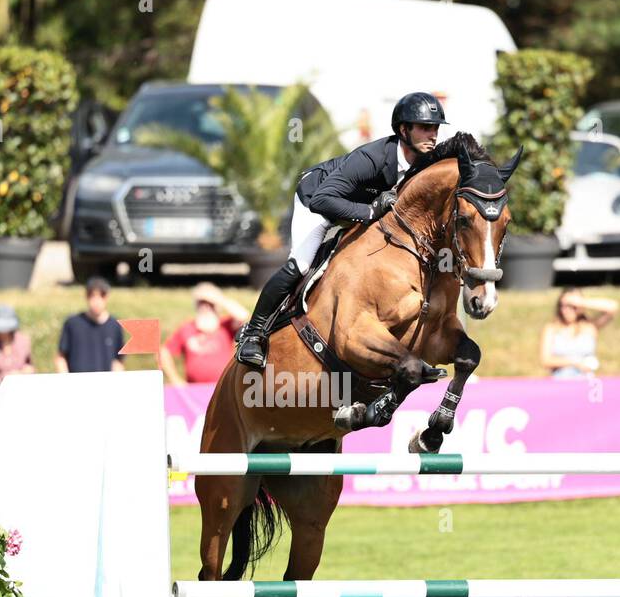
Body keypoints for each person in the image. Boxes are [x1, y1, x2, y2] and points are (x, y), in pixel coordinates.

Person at [235, 91, 448, 368]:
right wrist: (371, 211)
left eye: (435, 129)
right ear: (403, 129)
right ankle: (254, 333)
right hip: (318, 201)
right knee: (300, 266)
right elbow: (324, 200)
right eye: (424, 128)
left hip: (355, 210)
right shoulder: (372, 158)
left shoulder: (425, 162)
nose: (432, 135)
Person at [160, 283, 251, 385]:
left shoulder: (225, 326)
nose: (205, 307)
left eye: (209, 304)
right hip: (194, 392)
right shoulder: (187, 328)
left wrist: (218, 299)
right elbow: (164, 352)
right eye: (201, 303)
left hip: (222, 388)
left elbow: (243, 316)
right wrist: (175, 379)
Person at [540, 289, 618, 378]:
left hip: (586, 382)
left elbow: (612, 307)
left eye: (572, 306)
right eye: (564, 306)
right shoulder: (552, 329)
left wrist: (581, 302)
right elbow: (545, 360)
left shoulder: (590, 327)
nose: (568, 310)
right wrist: (575, 363)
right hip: (560, 382)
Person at [56, 276, 126, 373]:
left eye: (101, 295)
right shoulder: (73, 323)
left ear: (106, 297)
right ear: (87, 297)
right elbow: (61, 358)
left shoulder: (115, 325)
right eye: (92, 295)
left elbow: (118, 361)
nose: (96, 301)